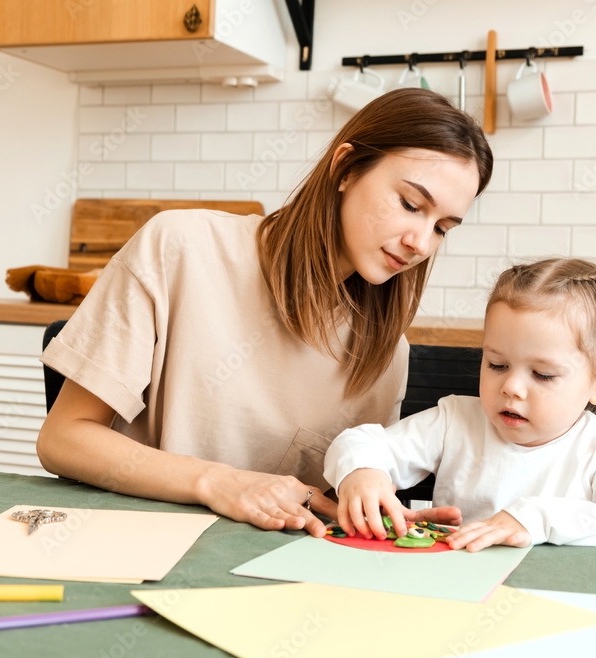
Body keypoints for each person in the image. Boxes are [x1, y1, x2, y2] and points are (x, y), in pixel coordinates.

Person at [36, 88, 493, 538]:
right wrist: (217, 483)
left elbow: (314, 501)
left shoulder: (386, 355)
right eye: (410, 205)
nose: (421, 243)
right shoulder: (179, 248)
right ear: (346, 168)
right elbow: (63, 439)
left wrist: (373, 514)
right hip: (127, 543)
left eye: (441, 228)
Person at [324, 259, 596, 552]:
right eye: (497, 365)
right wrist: (361, 471)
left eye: (543, 374)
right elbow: (359, 443)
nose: (512, 388)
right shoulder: (455, 421)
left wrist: (534, 518)